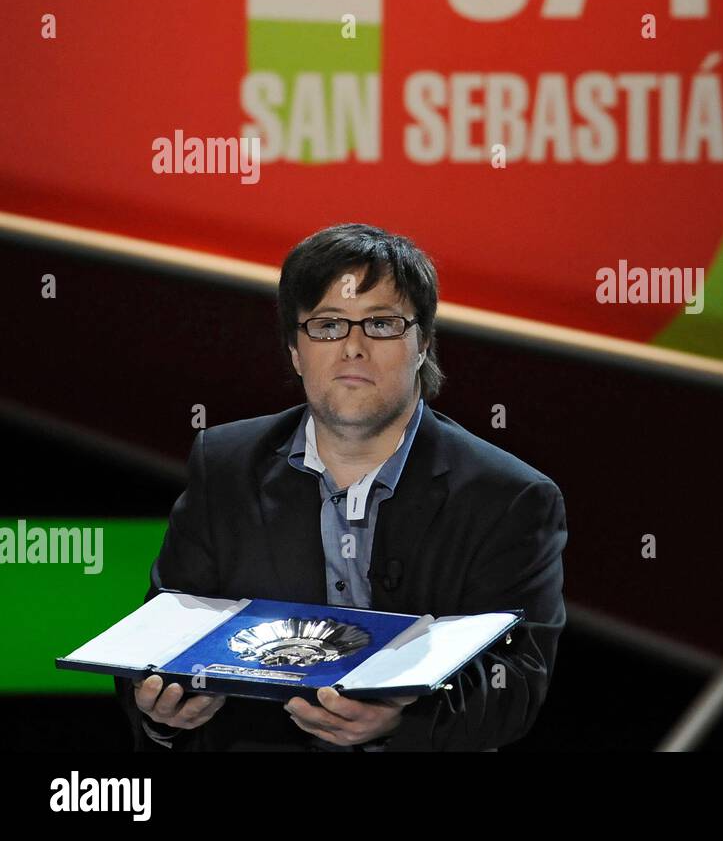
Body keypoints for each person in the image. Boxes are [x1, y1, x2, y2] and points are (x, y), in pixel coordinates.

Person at [112, 223, 568, 751]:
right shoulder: (226, 465)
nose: (353, 347)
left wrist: (401, 724)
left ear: (422, 345)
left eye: (380, 324)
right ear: (295, 351)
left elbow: (514, 683)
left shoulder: (510, 497)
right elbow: (160, 635)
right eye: (327, 326)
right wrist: (164, 711)